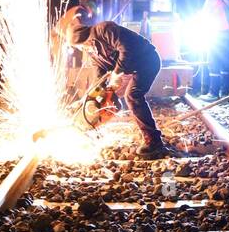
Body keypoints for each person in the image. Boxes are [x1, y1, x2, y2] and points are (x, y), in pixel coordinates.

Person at [68, 21, 171, 157]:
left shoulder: (104, 29)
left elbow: (127, 48)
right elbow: (98, 78)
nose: (81, 49)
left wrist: (117, 72)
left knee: (133, 95)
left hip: (148, 61)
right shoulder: (93, 53)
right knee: (106, 97)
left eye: (79, 47)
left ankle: (154, 142)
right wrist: (86, 100)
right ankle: (93, 132)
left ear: (82, 39)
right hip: (134, 68)